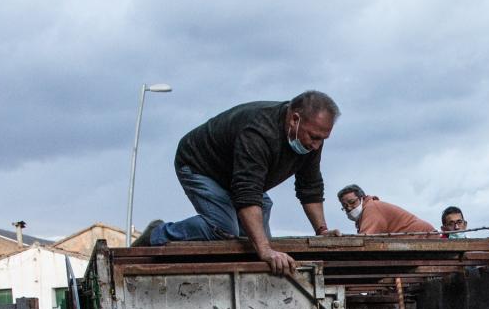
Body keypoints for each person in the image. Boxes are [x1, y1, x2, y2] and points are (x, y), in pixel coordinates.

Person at [131, 92, 341, 275]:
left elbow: (310, 186)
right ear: (295, 119)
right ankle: (158, 233)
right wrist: (265, 250)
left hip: (236, 173)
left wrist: (321, 230)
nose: (317, 145)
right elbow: (246, 193)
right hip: (200, 165)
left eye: (323, 139)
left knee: (256, 234)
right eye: (314, 137)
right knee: (224, 228)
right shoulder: (259, 132)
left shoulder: (311, 139)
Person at [335, 185, 436, 235]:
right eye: (345, 206)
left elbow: (365, 239)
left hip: (424, 237)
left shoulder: (371, 208)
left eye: (352, 202)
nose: (349, 208)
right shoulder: (364, 214)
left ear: (362, 198)